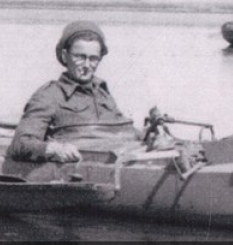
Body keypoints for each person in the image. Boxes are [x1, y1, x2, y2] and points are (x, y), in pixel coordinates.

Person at [7, 21, 137, 163]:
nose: (87, 65)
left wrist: (149, 135)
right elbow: (21, 143)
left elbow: (120, 131)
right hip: (78, 175)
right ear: (65, 56)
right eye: (80, 57)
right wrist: (54, 149)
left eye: (93, 58)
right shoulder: (50, 95)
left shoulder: (102, 94)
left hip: (118, 165)